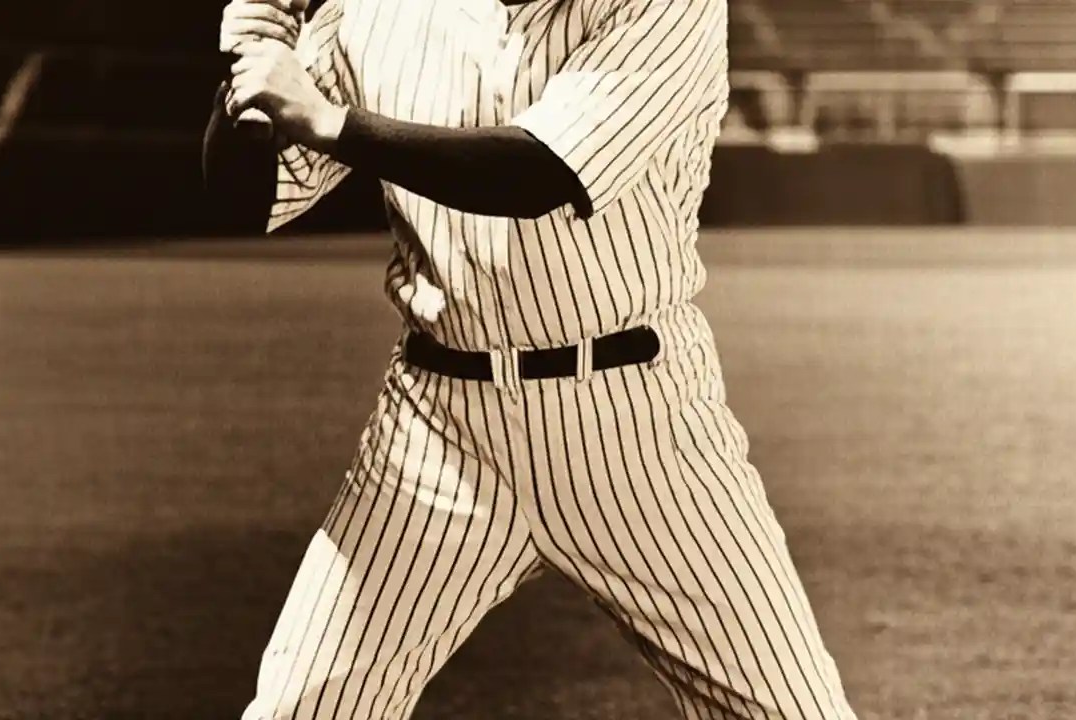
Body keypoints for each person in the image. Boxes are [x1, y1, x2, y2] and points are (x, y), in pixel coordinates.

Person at [205, 0, 860, 718]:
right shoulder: (375, 9)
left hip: (639, 426)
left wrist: (331, 123)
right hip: (438, 429)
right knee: (301, 710)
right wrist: (252, 52)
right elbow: (245, 197)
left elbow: (538, 173)